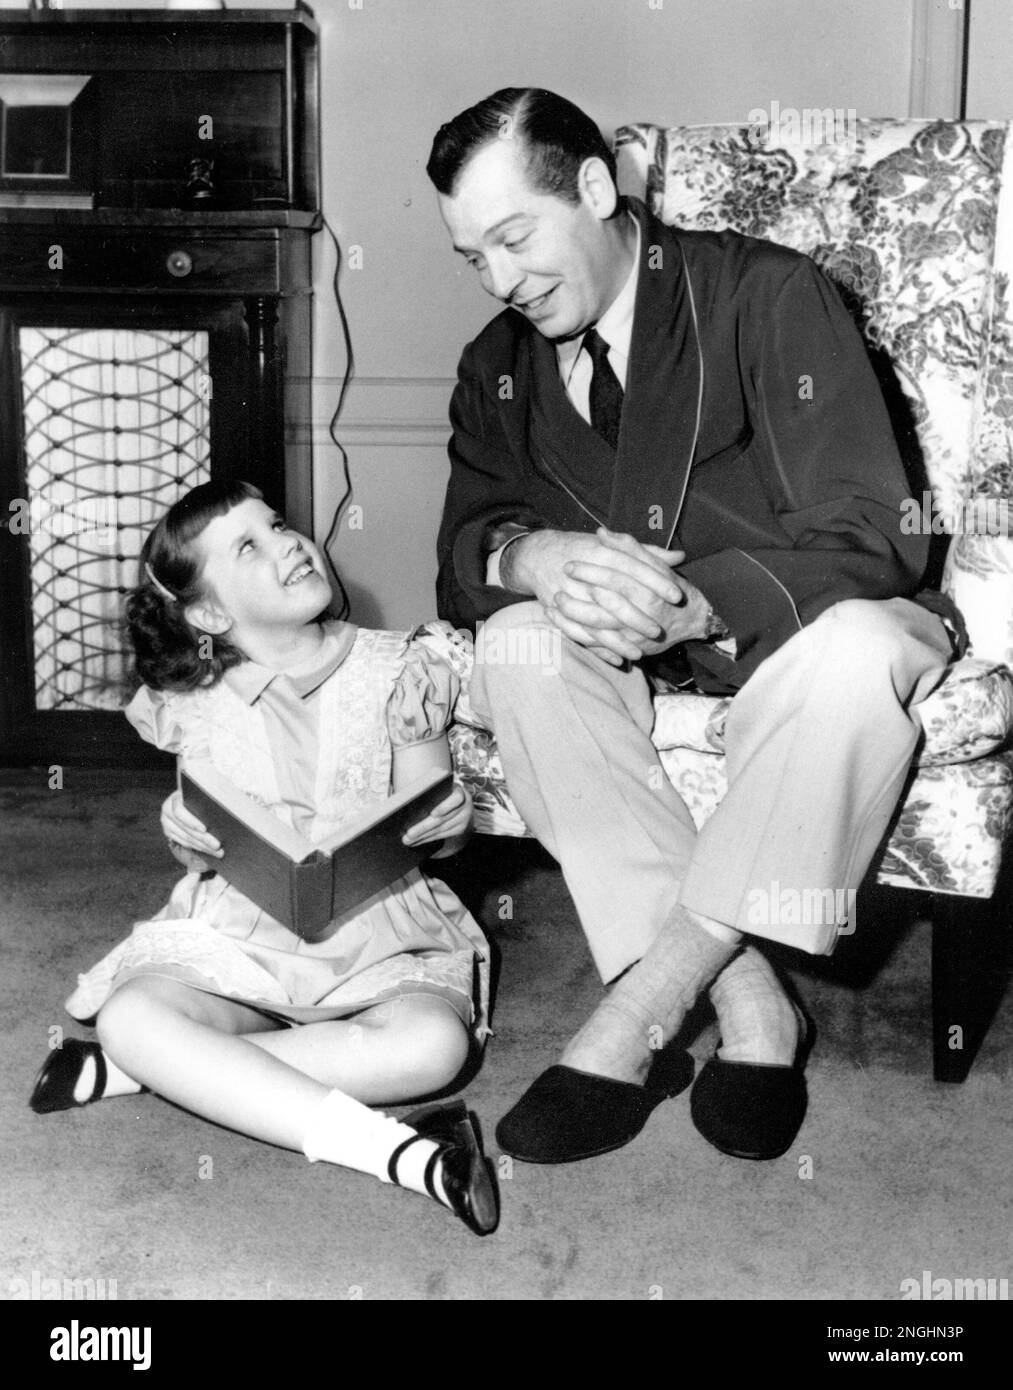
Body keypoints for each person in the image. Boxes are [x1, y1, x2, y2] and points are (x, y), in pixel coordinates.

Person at [426, 88, 964, 1165]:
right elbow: (463, 546)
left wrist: (699, 597)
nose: (498, 280)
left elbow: (877, 530)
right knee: (517, 647)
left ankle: (639, 1010)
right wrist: (537, 556)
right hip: (642, 663)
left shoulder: (766, 295)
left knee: (857, 656)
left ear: (590, 188)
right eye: (470, 255)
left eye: (513, 237)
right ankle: (759, 1006)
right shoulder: (496, 361)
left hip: (809, 627)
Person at [28, 480, 498, 1237]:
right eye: (249, 545)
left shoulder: (401, 668)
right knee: (132, 1014)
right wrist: (182, 828)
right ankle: (409, 1155)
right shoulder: (191, 698)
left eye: (277, 524)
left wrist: (447, 822)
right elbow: (201, 842)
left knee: (434, 1046)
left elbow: (435, 829)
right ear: (212, 614)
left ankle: (158, 1072)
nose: (287, 542)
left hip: (380, 930)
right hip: (242, 932)